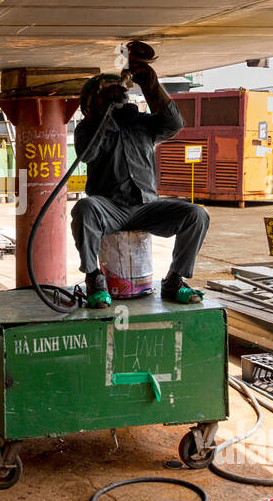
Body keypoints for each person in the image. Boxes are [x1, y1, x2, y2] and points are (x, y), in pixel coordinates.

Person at [71, 41, 209, 309]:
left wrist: (151, 85)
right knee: (85, 208)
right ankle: (94, 280)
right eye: (104, 95)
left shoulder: (143, 125)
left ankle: (174, 280)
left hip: (148, 207)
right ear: (91, 105)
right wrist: (101, 112)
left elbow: (174, 124)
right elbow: (87, 154)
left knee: (196, 215)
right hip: (109, 208)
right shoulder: (88, 129)